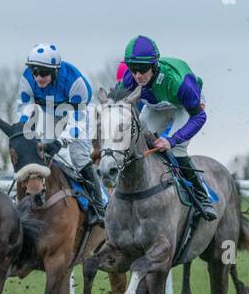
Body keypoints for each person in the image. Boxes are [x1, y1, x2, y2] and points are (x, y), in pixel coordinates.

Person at [118, 35, 215, 220]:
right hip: (157, 106)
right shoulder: (130, 79)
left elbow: (200, 116)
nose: (137, 75)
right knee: (137, 138)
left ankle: (202, 196)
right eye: (133, 69)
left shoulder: (179, 81)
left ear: (154, 65)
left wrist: (171, 140)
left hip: (185, 105)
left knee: (177, 149)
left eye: (142, 69)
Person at [16, 42, 106, 226]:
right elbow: (25, 108)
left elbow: (77, 121)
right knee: (45, 154)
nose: (38, 77)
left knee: (78, 157)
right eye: (35, 71)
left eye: (44, 73)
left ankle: (100, 206)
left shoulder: (75, 81)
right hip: (51, 111)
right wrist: (24, 130)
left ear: (56, 71)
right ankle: (38, 198)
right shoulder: (27, 79)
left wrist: (61, 141)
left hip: (78, 114)